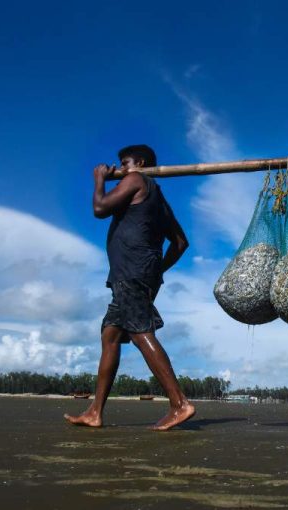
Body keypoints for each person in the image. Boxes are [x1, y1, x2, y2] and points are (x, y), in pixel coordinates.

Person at [64, 144, 195, 431]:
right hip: (136, 273)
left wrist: (99, 177)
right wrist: (156, 270)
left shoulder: (135, 180)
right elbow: (180, 243)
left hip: (132, 273)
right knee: (110, 335)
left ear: (141, 163)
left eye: (124, 163)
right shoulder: (158, 198)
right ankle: (95, 411)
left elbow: (99, 208)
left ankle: (179, 404)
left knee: (139, 332)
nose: (119, 168)